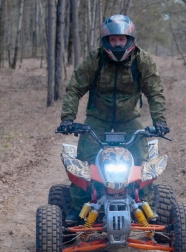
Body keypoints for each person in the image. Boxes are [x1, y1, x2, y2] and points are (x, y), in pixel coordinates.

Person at [57, 14, 169, 224]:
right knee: (83, 162)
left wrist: (160, 122)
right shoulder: (95, 59)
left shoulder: (142, 60)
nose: (117, 43)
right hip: (97, 119)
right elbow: (74, 88)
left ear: (130, 39)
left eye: (121, 39)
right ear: (106, 41)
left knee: (143, 161)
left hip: (129, 120)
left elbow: (155, 92)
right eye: (113, 39)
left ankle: (146, 207)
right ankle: (79, 207)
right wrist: (68, 118)